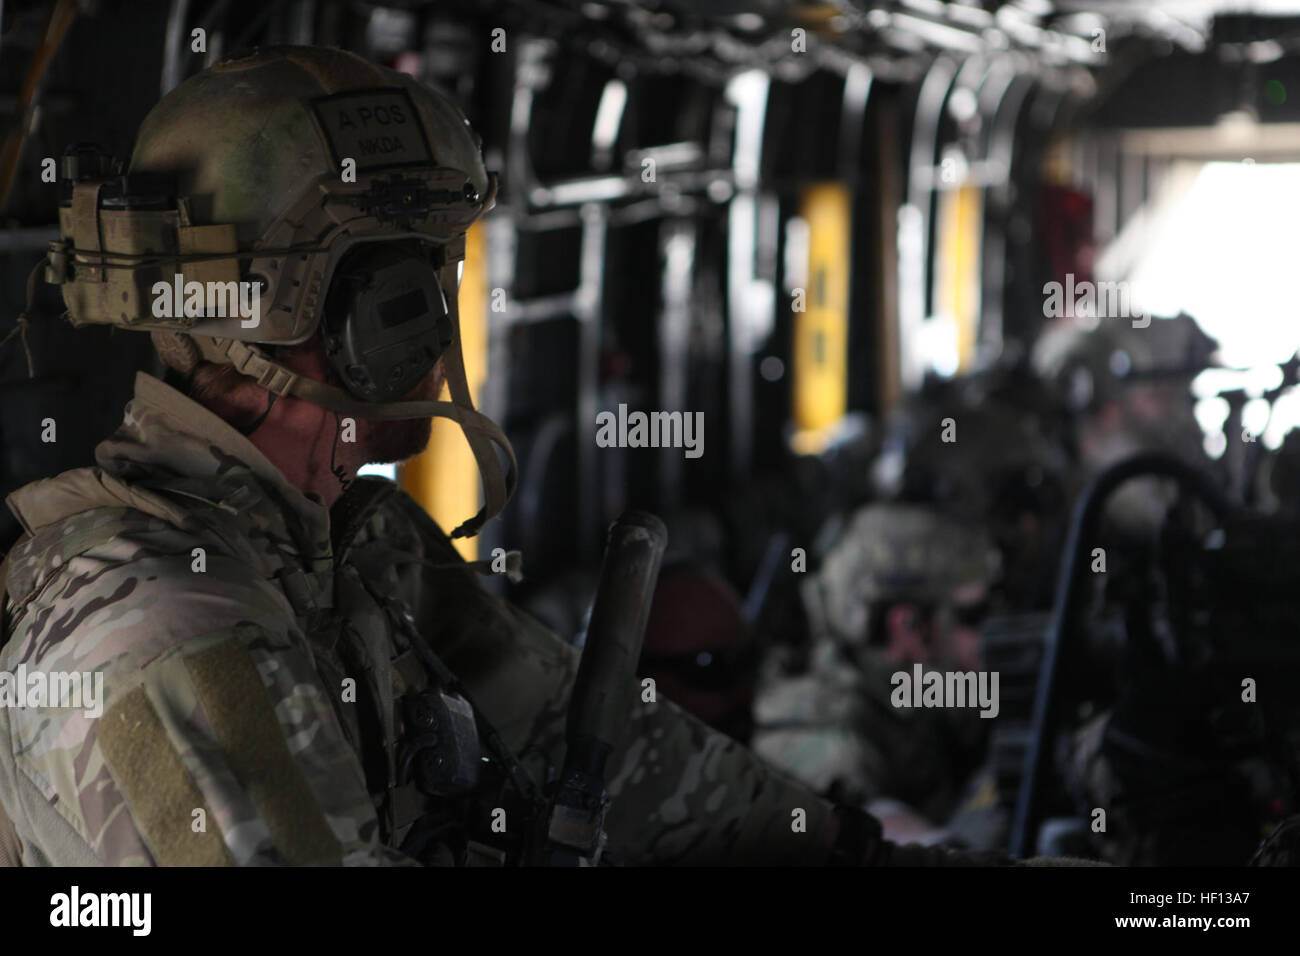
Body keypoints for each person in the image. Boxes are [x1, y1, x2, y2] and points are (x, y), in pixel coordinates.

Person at [0, 46, 1004, 868]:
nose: (439, 325)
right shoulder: (160, 629)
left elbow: (610, 753)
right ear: (300, 308)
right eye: (413, 283)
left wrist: (854, 849)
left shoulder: (358, 549)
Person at [752, 503, 998, 839]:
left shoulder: (919, 695)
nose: (990, 634)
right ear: (907, 626)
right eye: (973, 616)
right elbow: (869, 829)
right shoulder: (820, 726)